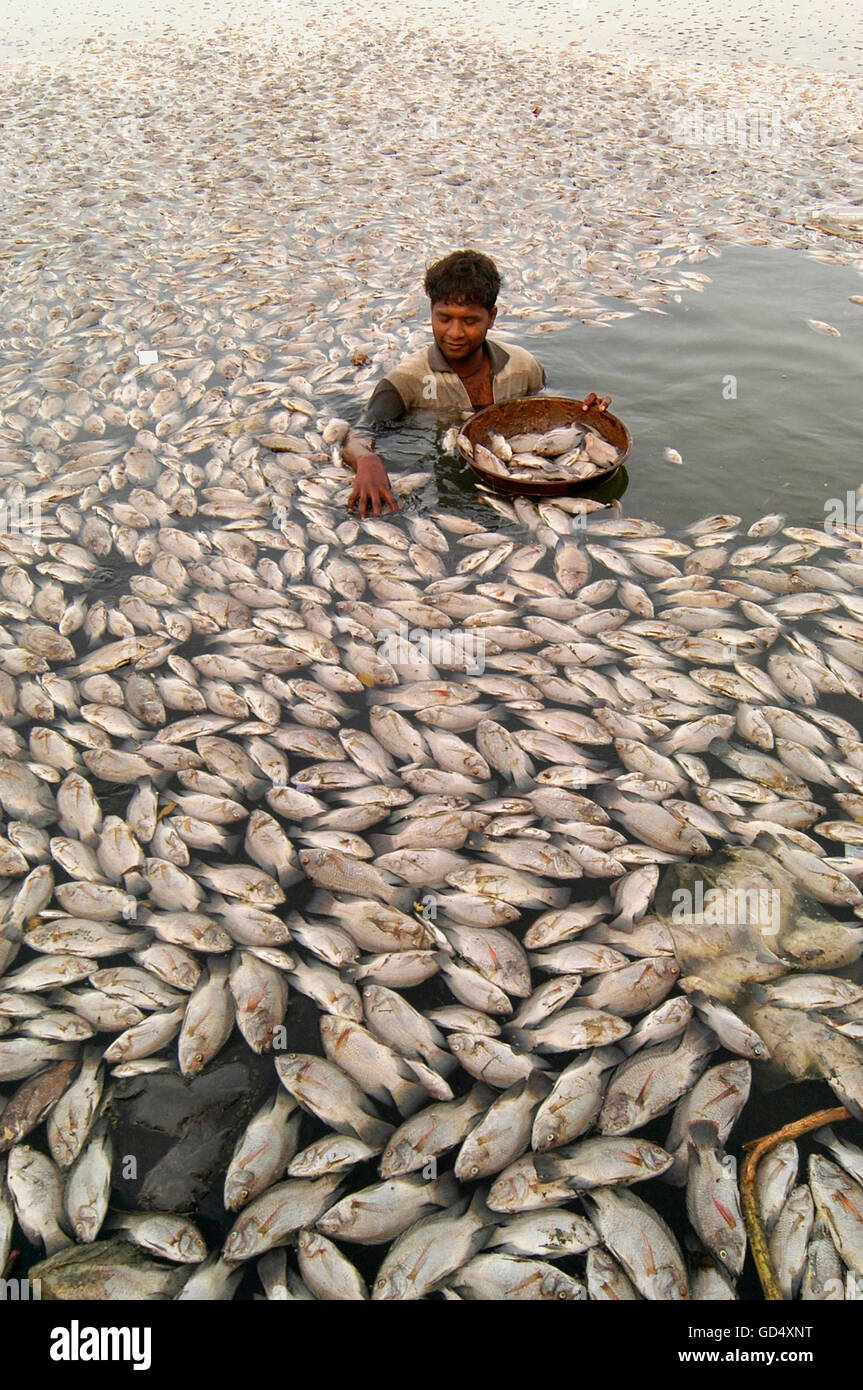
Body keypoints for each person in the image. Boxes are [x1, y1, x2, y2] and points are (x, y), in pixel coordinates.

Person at [342, 249, 611, 516]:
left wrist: (585, 411)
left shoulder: (523, 366)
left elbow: (549, 412)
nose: (455, 333)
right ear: (431, 312)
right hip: (444, 485)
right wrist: (367, 459)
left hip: (517, 480)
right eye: (444, 318)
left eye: (470, 321)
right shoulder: (406, 381)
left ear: (491, 317)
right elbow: (360, 433)